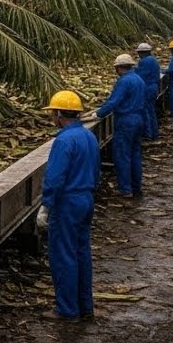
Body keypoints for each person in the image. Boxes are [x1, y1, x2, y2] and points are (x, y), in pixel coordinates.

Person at [36, 90, 100, 320]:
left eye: (53, 112)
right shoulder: (88, 136)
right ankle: (85, 306)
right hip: (86, 198)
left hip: (67, 202)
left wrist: (46, 205)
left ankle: (67, 310)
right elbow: (95, 170)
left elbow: (54, 177)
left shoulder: (64, 140)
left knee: (63, 256)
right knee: (81, 252)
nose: (52, 116)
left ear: (60, 114)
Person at [84, 53, 144, 198]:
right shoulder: (138, 78)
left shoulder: (124, 81)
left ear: (119, 67)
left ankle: (126, 190)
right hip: (138, 118)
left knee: (122, 155)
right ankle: (136, 187)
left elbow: (114, 102)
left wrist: (97, 114)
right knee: (135, 154)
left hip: (126, 120)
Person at [134, 43, 160, 141]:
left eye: (139, 53)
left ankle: (149, 134)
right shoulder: (153, 60)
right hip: (153, 86)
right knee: (151, 110)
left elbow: (140, 74)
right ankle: (154, 133)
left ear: (143, 52)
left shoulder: (145, 61)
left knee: (146, 111)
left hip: (148, 88)